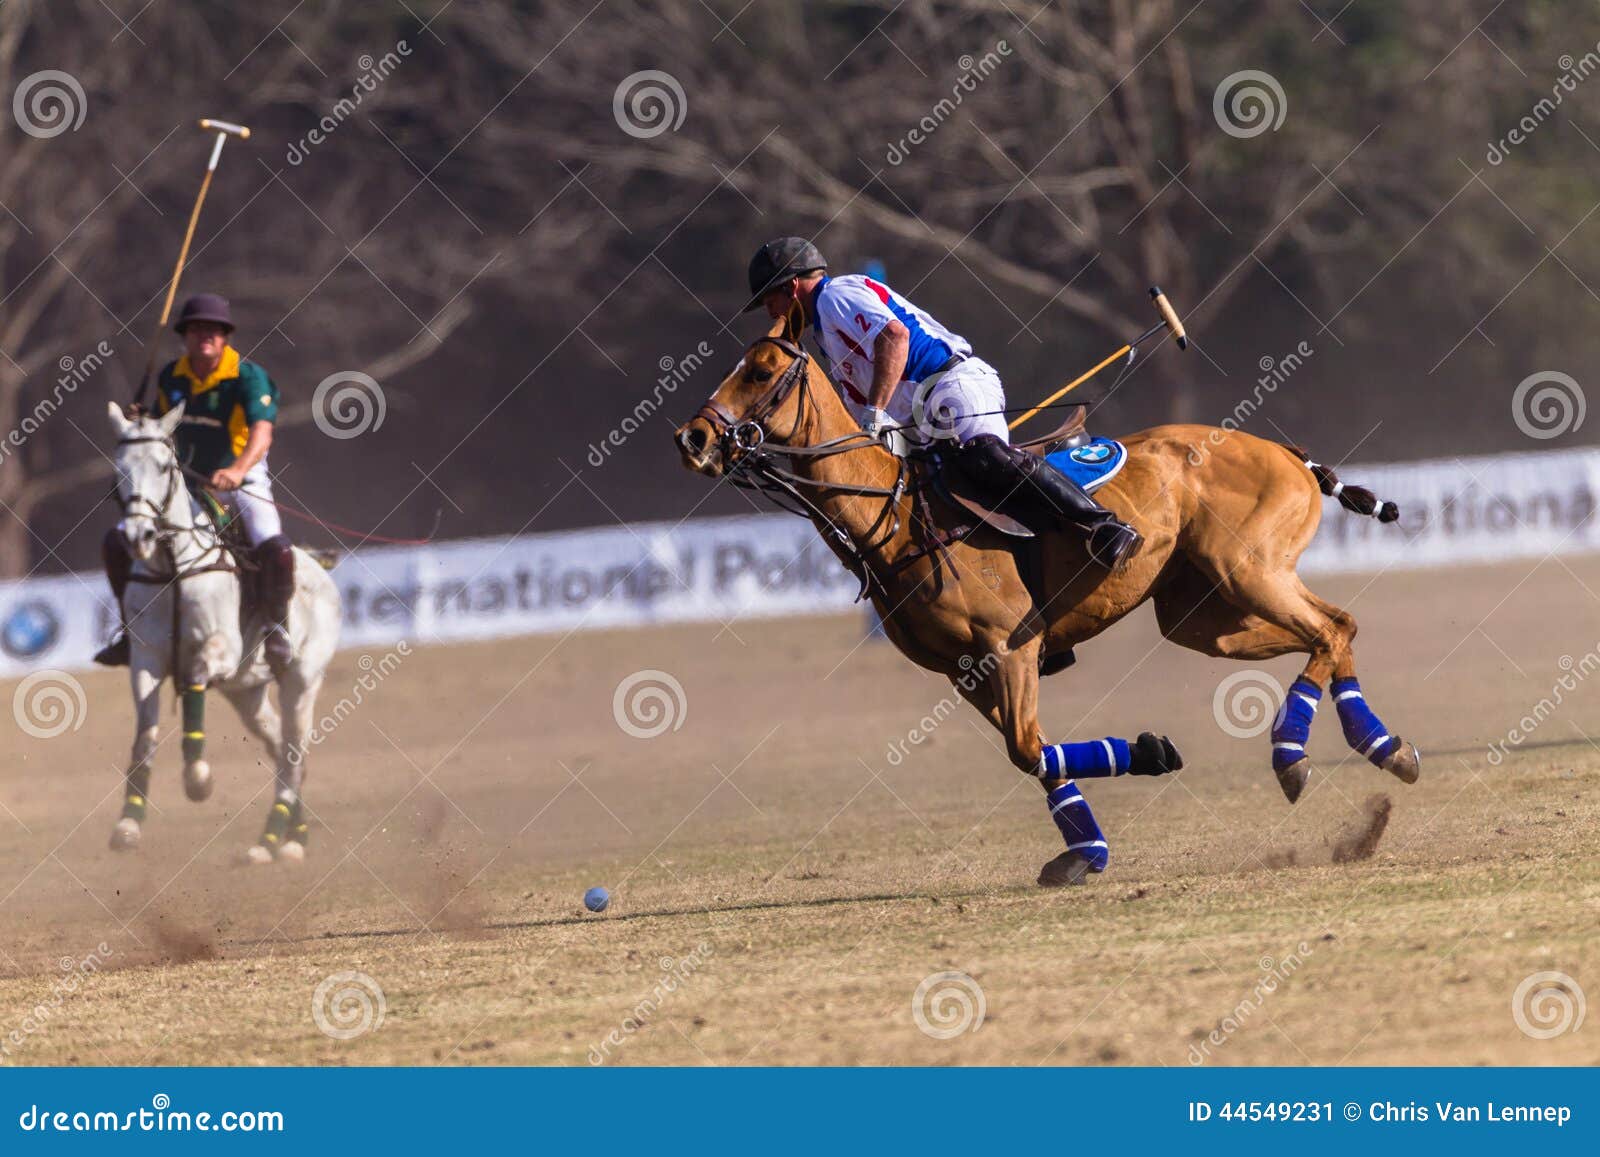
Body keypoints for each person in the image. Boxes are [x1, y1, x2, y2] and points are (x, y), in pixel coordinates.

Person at [743, 237, 1141, 571]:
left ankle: (1103, 525)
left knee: (983, 458)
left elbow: (894, 337)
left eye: (769, 300)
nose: (770, 313)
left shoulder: (836, 296)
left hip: (951, 385)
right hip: (920, 422)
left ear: (791, 287)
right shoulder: (823, 337)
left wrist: (875, 413)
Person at [96, 293, 295, 670]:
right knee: (117, 541)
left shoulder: (247, 377)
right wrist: (142, 420)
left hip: (239, 477)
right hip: (184, 482)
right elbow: (159, 432)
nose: (205, 335)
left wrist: (238, 470)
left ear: (225, 336)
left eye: (213, 329)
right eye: (196, 328)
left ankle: (276, 627)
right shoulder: (172, 376)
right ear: (185, 335)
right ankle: (128, 630)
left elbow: (262, 433)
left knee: (275, 546)